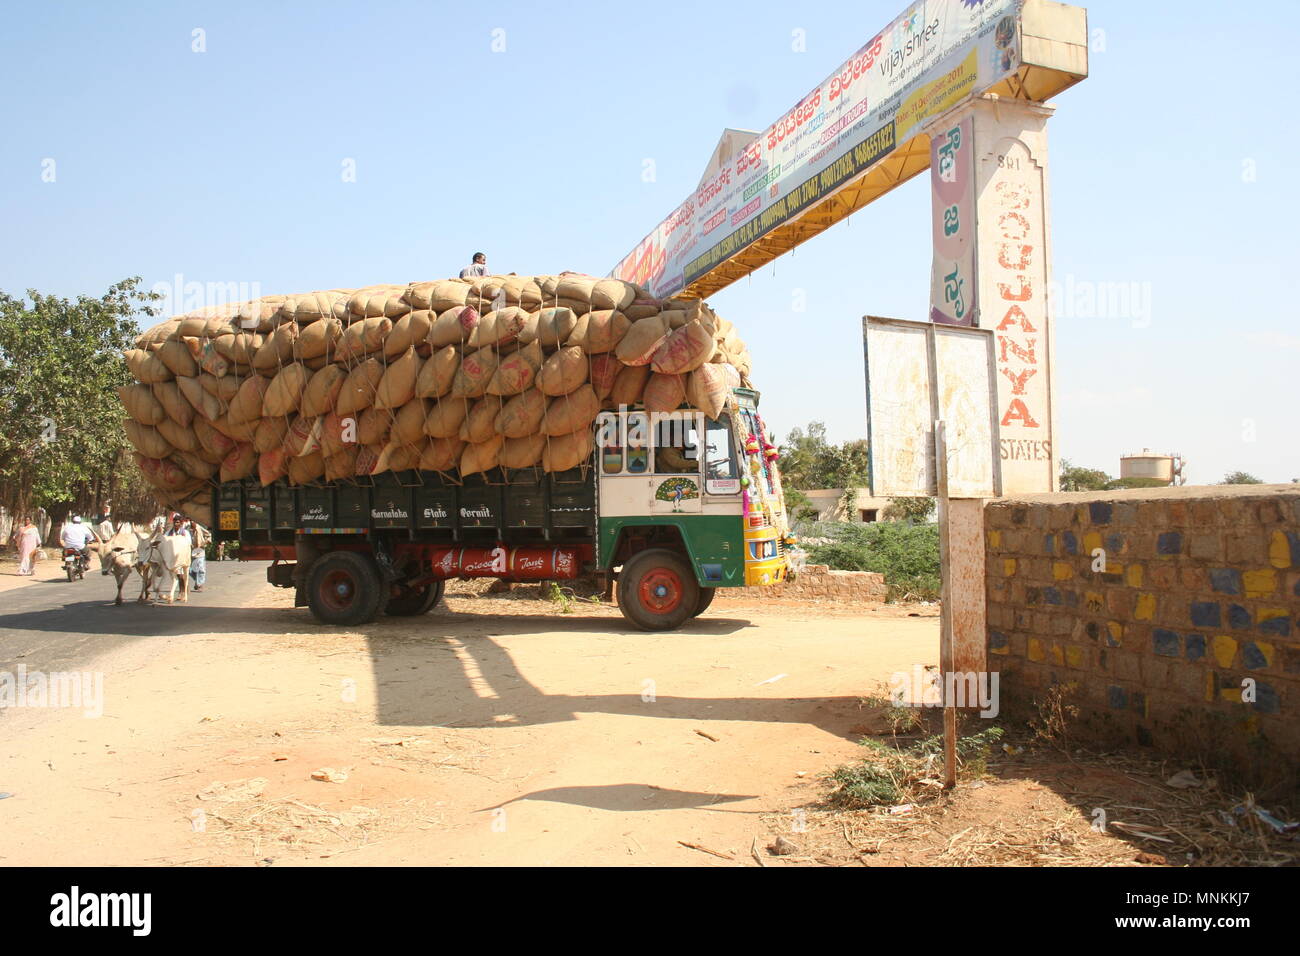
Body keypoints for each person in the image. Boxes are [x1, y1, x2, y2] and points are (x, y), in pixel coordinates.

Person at [187, 520, 210, 591]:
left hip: (200, 551)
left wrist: (206, 541)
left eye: (193, 521)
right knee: (190, 570)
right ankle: (197, 581)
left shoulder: (199, 528)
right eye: (190, 521)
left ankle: (200, 584)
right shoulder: (187, 529)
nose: (192, 522)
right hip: (191, 552)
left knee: (201, 569)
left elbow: (208, 534)